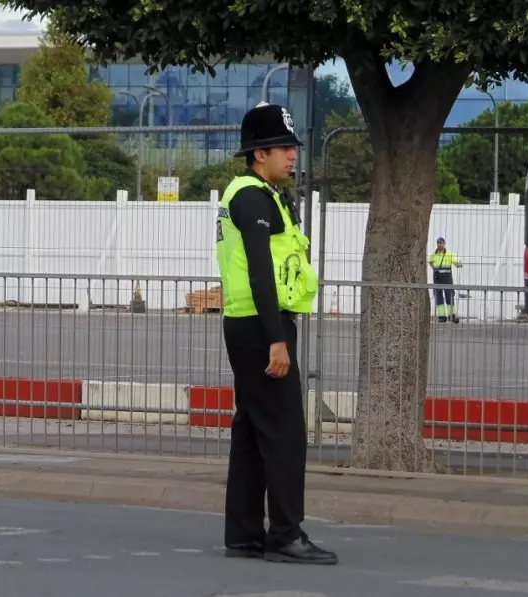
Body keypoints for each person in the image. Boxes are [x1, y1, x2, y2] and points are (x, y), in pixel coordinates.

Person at [216, 102, 338, 565]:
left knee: (251, 428)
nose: (293, 156)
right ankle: (286, 532)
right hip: (260, 326)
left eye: (293, 148)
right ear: (259, 153)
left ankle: (244, 532)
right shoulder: (251, 197)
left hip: (246, 323)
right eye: (285, 148)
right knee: (285, 430)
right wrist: (277, 339)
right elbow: (261, 274)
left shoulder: (253, 194)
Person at [428, 237, 463, 323]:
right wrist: (434, 269)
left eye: (441, 243)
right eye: (438, 243)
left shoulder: (449, 254)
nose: (439, 244)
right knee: (438, 297)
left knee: (449, 296)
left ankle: (452, 315)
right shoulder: (434, 254)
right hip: (438, 279)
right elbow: (429, 261)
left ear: (444, 244)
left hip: (447, 278)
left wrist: (459, 264)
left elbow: (455, 262)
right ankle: (441, 316)